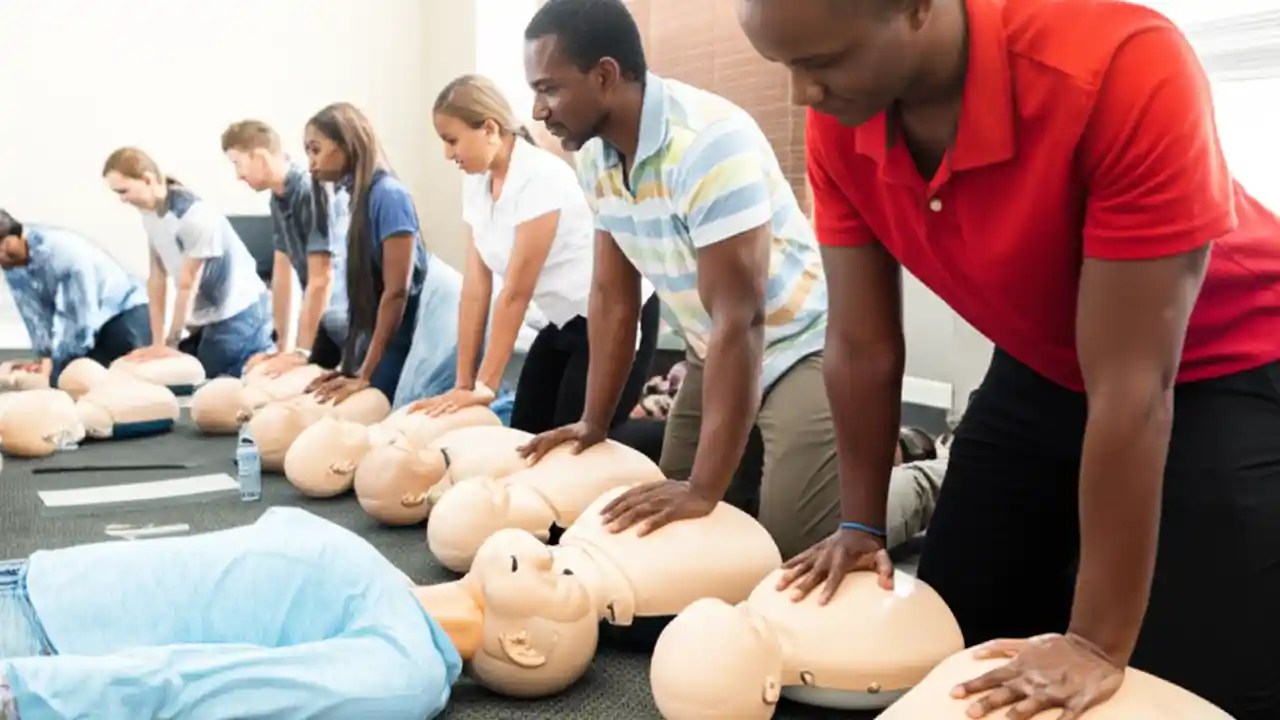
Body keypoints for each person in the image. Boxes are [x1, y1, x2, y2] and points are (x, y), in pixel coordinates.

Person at [736, 1, 1280, 719]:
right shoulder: (841, 118)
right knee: (960, 626)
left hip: (1223, 358)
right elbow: (862, 344)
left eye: (823, 63)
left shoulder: (1120, 62)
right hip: (1043, 362)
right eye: (786, 66)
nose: (802, 93)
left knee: (1183, 680)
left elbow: (1133, 387)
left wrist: (1095, 641)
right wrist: (862, 526)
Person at [518, 0, 844, 562]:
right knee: (667, 534)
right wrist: (594, 421)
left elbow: (742, 322)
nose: (538, 110)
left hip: (800, 347)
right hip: (709, 346)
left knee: (791, 550)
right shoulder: (594, 157)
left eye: (548, 89)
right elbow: (613, 298)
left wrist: (703, 488)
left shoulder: (708, 142)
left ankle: (919, 472)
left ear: (604, 76)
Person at [0, 507, 461, 719]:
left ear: (522, 647)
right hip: (42, 580)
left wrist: (23, 692)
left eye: (537, 569)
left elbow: (206, 687)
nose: (538, 551)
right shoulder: (391, 587)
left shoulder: (405, 669)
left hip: (43, 645)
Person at [414, 73, 660, 434]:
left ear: (489, 129)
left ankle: (664, 447)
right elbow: (475, 289)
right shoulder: (476, 182)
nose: (447, 154)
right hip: (562, 322)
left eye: (451, 141)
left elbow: (516, 291)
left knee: (572, 442)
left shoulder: (540, 176)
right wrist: (463, 384)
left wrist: (486, 386)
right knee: (525, 432)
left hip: (614, 316)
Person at [302, 102, 460, 408]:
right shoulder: (354, 198)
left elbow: (396, 293)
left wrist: (365, 374)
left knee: (373, 407)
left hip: (411, 331)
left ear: (347, 143)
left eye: (315, 149)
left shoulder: (389, 196)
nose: (310, 164)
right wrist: (346, 369)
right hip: (387, 329)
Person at [101, 147, 274, 378]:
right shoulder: (150, 215)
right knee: (182, 367)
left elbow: (187, 284)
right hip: (206, 315)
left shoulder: (193, 216)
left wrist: (171, 344)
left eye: (124, 191)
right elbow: (157, 279)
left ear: (147, 179)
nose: (122, 200)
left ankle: (267, 352)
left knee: (211, 374)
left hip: (240, 309)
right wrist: (157, 343)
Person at [221, 119, 347, 374]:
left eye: (238, 164)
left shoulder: (310, 192)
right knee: (260, 372)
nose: (238, 175)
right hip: (324, 322)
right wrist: (283, 349)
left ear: (259, 156)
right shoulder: (279, 199)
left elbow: (322, 280)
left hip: (346, 322)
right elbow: (283, 273)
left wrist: (301, 353)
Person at [0, 210, 150, 384]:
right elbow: (34, 315)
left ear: (16, 234)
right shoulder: (12, 267)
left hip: (124, 314)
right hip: (87, 325)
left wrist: (58, 368)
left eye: (2, 244)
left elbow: (76, 316)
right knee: (73, 382)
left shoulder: (60, 252)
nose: (0, 254)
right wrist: (45, 357)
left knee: (116, 383)